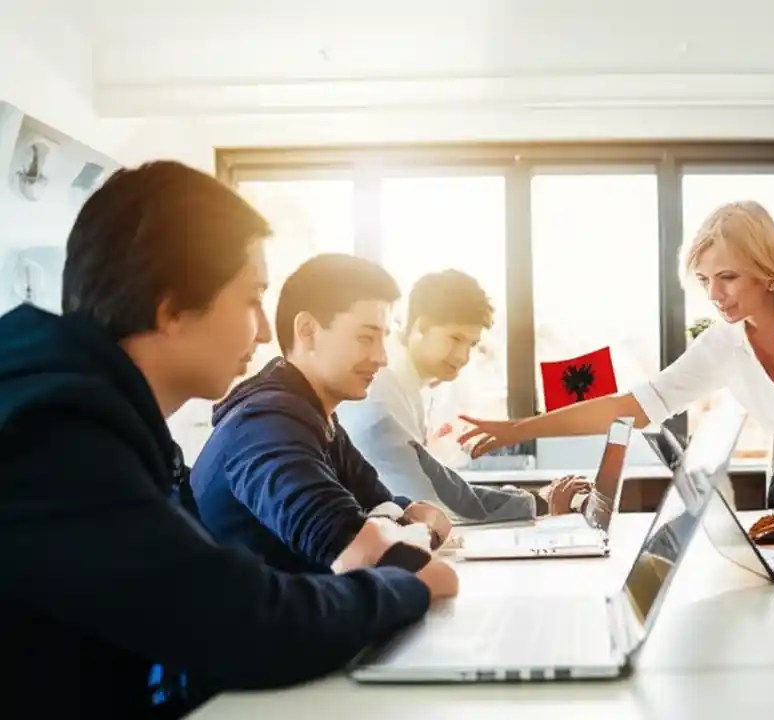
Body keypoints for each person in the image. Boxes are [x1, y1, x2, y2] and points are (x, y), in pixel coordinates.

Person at [0, 161, 454, 719]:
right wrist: (406, 587)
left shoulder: (96, 418)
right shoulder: (50, 436)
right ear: (170, 309)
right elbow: (243, 621)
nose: (264, 330)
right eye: (251, 298)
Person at [459, 200, 774, 512]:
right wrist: (517, 430)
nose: (715, 295)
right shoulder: (724, 344)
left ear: (769, 273)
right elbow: (635, 408)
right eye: (704, 280)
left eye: (728, 277)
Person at [188, 254, 457, 574]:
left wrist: (398, 526)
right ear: (308, 330)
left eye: (383, 339)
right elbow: (368, 554)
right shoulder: (267, 424)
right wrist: (400, 532)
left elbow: (398, 509)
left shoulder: (315, 417)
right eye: (365, 338)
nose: (382, 357)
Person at [337, 269, 591, 523]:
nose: (463, 356)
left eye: (471, 344)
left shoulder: (410, 387)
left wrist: (535, 501)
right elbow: (429, 502)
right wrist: (538, 504)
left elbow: (443, 485)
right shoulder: (381, 391)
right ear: (420, 327)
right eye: (455, 338)